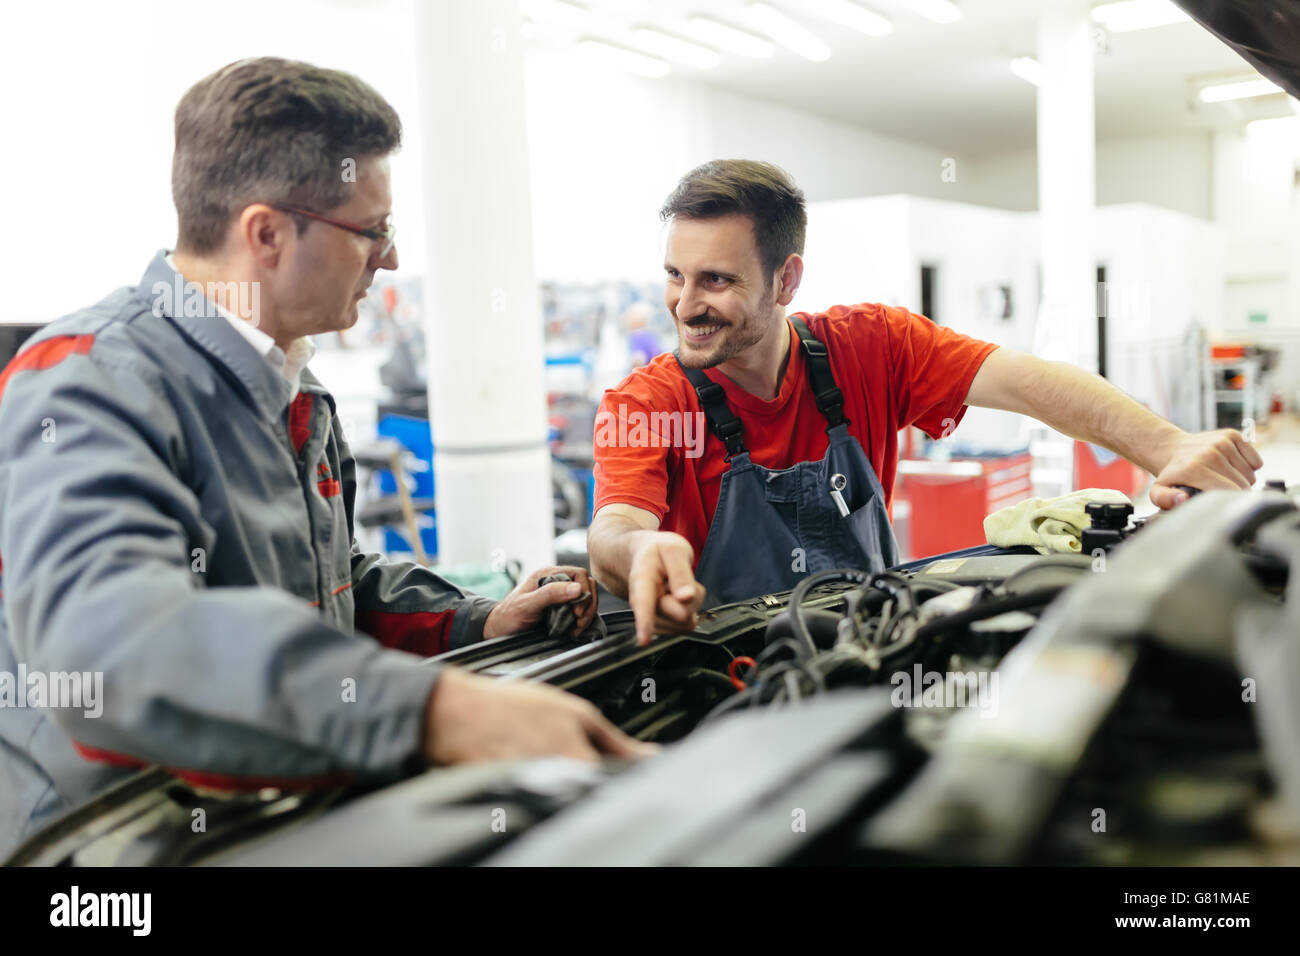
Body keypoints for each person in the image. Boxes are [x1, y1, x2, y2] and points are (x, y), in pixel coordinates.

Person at [0, 57, 649, 856]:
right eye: (371, 231)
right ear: (267, 234)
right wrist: (430, 711)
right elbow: (111, 643)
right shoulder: (89, 379)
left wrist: (473, 622)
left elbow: (328, 587)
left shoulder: (289, 385)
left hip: (286, 819)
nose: (391, 259)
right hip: (119, 846)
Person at [588, 159, 1263, 646]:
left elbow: (1026, 381)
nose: (685, 303)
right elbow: (614, 527)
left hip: (875, 650)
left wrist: (1167, 446)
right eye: (675, 275)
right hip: (727, 686)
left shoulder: (870, 346)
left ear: (786, 278)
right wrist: (641, 550)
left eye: (716, 279)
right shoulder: (648, 401)